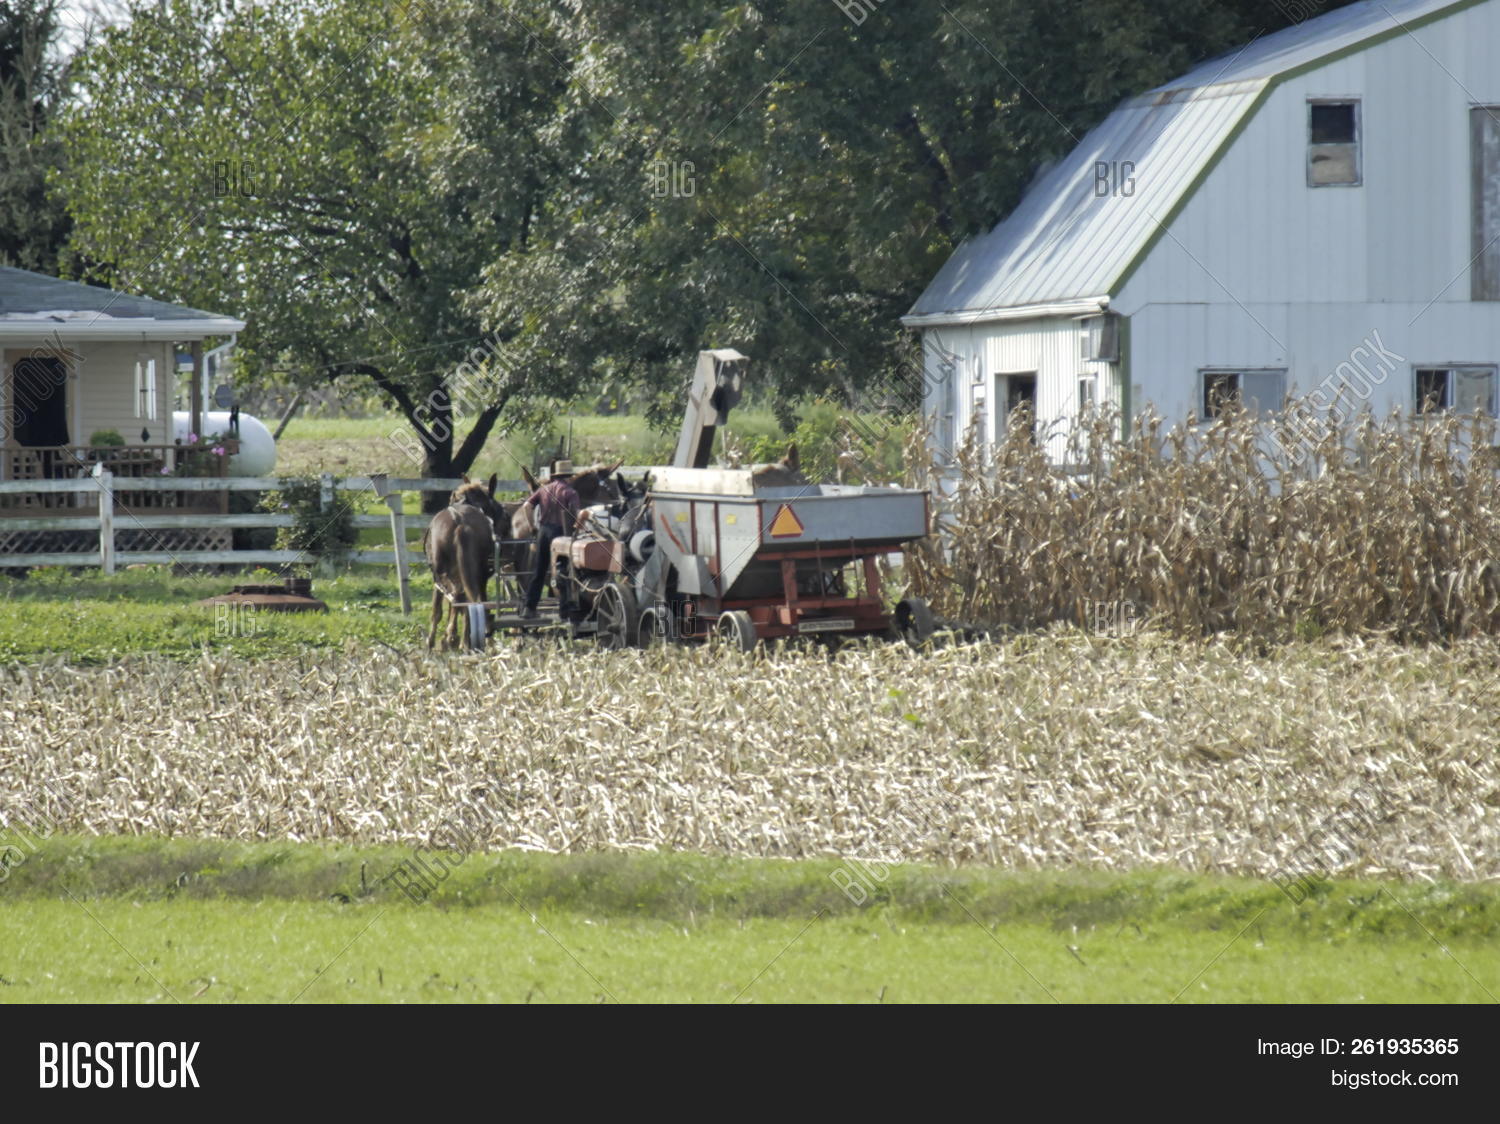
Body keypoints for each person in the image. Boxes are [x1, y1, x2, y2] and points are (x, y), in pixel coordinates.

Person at [519, 459, 582, 619]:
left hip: (543, 532)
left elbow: (527, 506)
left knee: (539, 571)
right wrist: (578, 528)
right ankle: (564, 611)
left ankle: (529, 608)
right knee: (563, 571)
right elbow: (577, 514)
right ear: (568, 476)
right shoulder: (571, 493)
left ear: (555, 476)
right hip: (561, 534)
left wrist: (532, 526)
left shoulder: (544, 489)